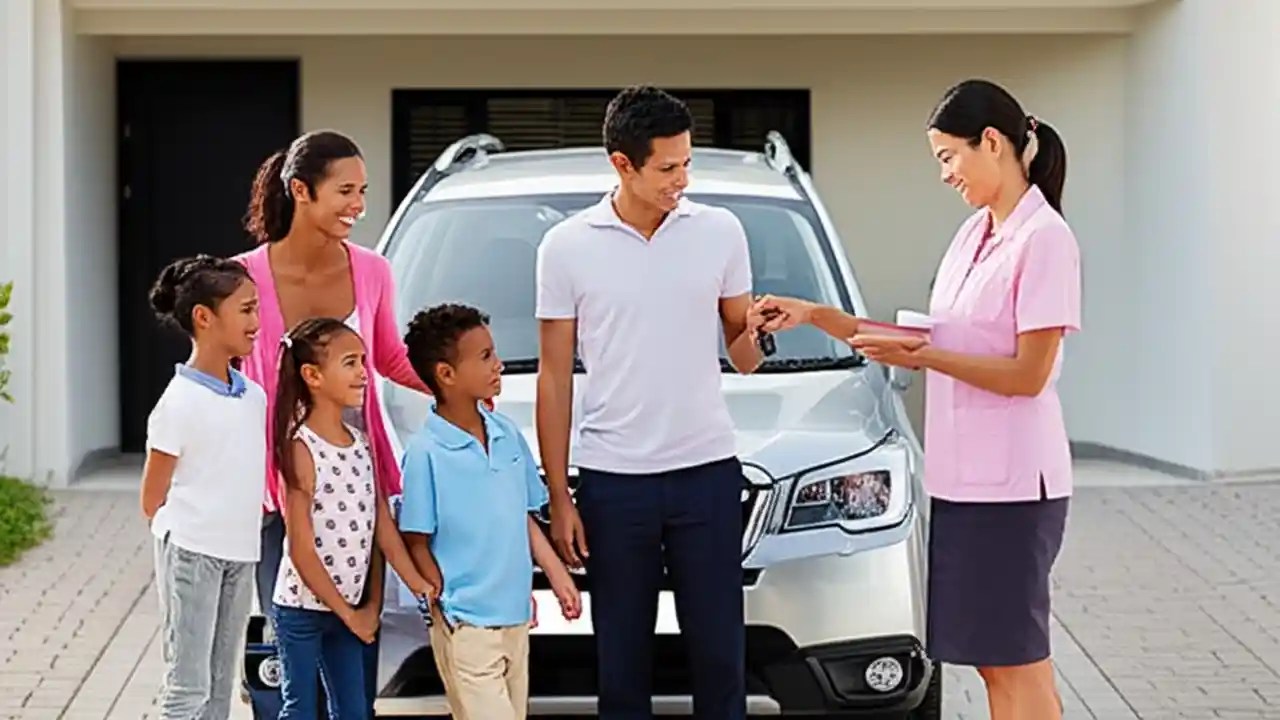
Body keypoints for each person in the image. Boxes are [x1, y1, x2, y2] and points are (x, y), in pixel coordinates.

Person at [756, 78, 1079, 720]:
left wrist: (924, 357)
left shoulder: (1045, 240)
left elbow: (1028, 374)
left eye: (947, 157)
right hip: (963, 486)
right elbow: (927, 337)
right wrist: (818, 315)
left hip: (1014, 490)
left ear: (992, 143)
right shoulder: (973, 236)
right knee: (995, 661)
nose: (944, 174)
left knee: (1016, 661)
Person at [534, 85, 767, 719]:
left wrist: (758, 331)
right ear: (622, 163)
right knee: (622, 665)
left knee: (722, 660)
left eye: (687, 163)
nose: (681, 180)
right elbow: (555, 380)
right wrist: (560, 495)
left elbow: (744, 357)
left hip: (707, 474)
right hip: (614, 483)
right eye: (667, 168)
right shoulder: (567, 245)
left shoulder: (720, 231)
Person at [397, 303, 582, 720]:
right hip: (467, 628)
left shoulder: (506, 434)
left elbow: (522, 514)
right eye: (485, 357)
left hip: (516, 619)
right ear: (446, 374)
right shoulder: (426, 453)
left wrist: (556, 574)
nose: (499, 365)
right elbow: (415, 539)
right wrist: (444, 602)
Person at [269, 317, 437, 720]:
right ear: (312, 375)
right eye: (351, 362)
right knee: (301, 711)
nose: (365, 372)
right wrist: (349, 614)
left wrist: (420, 587)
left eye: (364, 361)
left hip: (351, 609)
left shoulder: (361, 445)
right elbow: (301, 550)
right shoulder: (301, 449)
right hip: (302, 610)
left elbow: (382, 529)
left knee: (355, 711)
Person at [139, 255, 266, 720]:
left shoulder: (253, 396)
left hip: (240, 553)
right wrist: (193, 531)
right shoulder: (178, 403)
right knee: (187, 687)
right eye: (246, 310)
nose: (256, 321)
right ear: (204, 318)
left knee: (219, 688)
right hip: (192, 555)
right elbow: (152, 500)